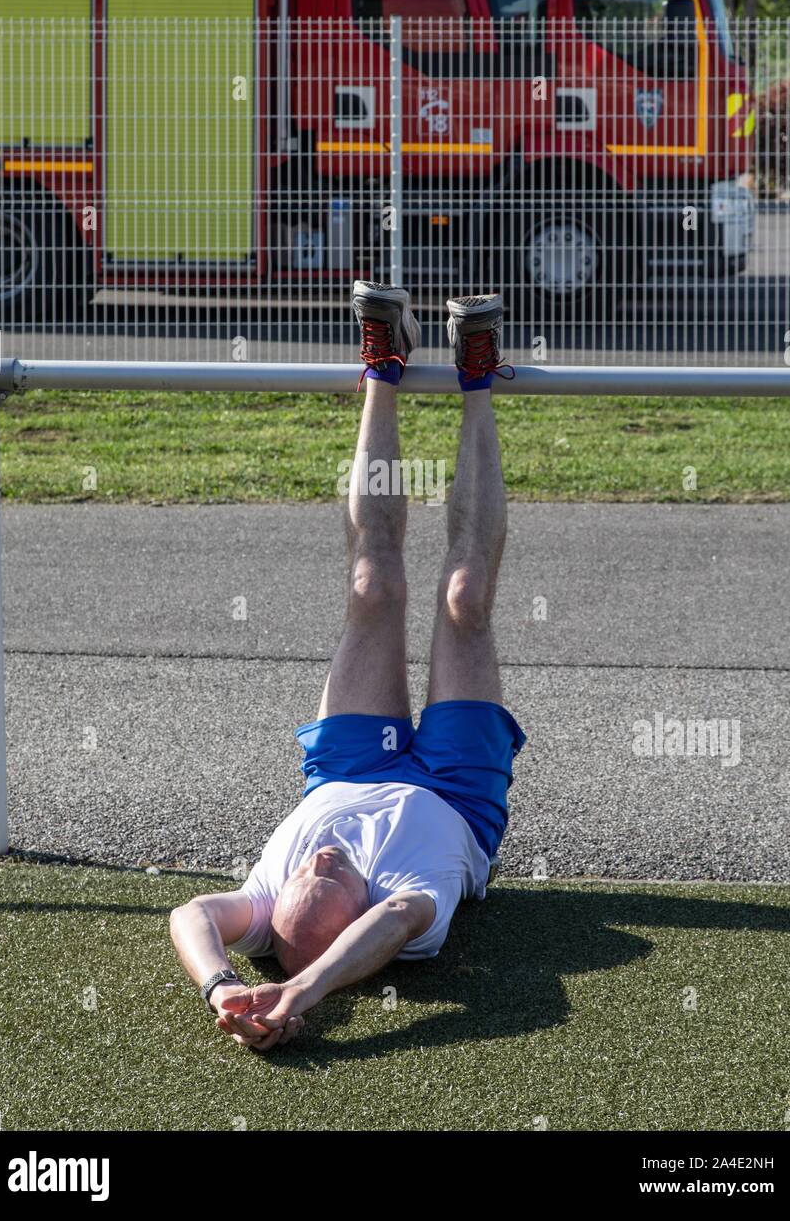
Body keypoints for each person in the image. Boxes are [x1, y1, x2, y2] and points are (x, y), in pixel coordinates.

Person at [170, 283, 527, 1050]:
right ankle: (476, 383)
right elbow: (395, 921)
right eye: (334, 879)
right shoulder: (409, 910)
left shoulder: (268, 905)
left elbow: (192, 915)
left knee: (373, 584)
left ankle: (383, 365)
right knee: (464, 595)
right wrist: (307, 989)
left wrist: (223, 984)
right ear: (359, 909)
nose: (322, 860)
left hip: (345, 768)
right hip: (458, 798)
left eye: (311, 874)